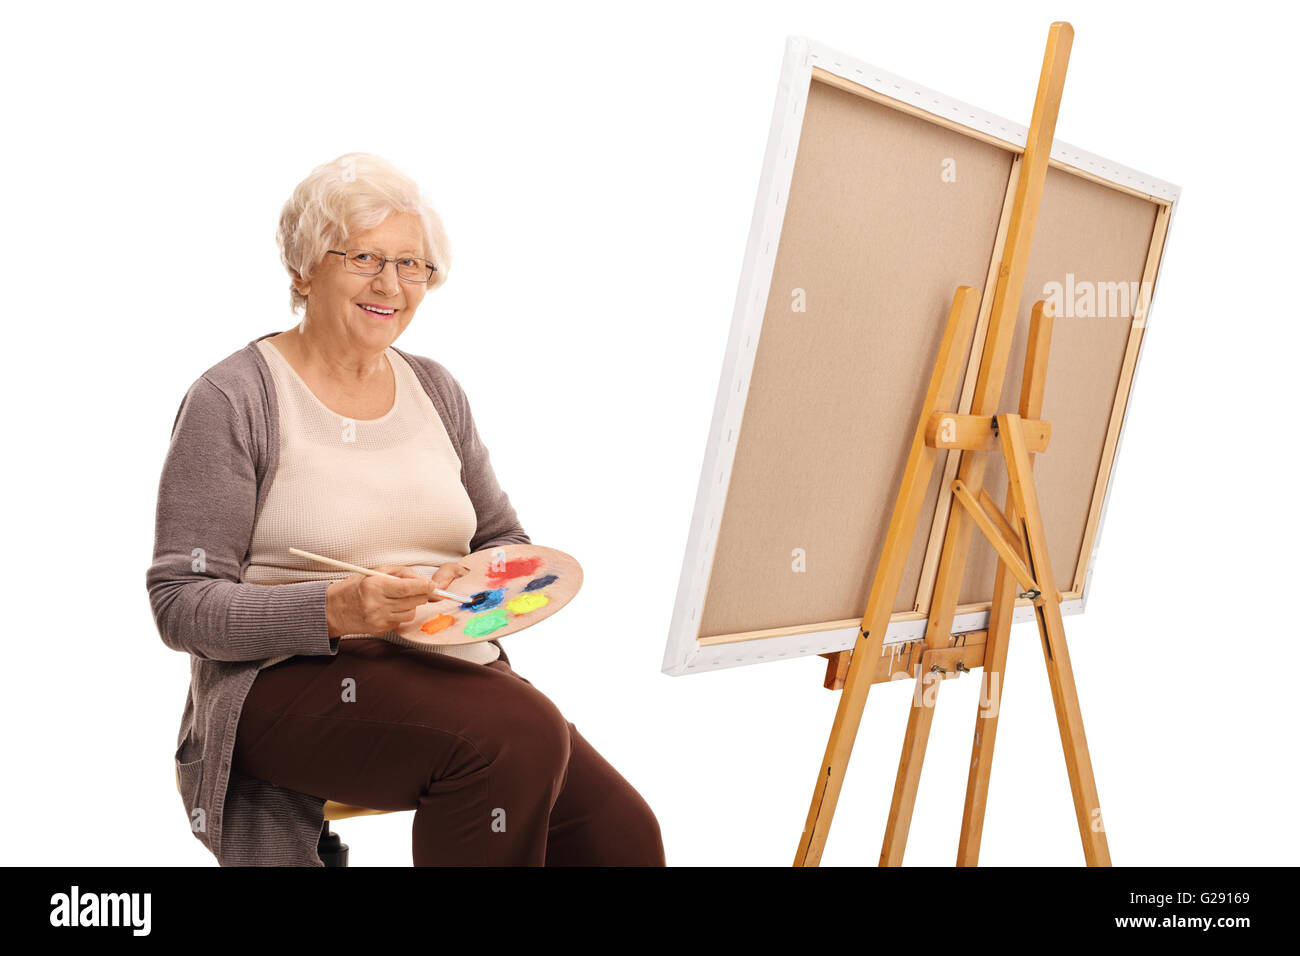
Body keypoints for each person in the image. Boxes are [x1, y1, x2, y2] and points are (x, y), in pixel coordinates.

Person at [146, 152, 664, 866]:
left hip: (445, 668)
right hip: (284, 684)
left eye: (413, 265)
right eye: (365, 258)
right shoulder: (234, 397)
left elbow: (502, 538)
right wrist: (336, 609)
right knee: (514, 733)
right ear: (303, 270)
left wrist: (483, 586)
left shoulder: (436, 389)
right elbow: (181, 604)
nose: (391, 284)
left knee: (619, 836)